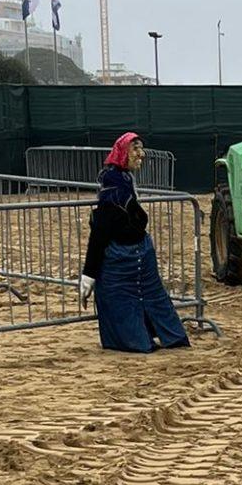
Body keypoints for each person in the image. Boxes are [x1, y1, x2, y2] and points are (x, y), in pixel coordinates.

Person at [79, 133, 190, 353]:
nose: (141, 154)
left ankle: (153, 334)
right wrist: (89, 274)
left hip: (138, 254)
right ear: (123, 153)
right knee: (128, 305)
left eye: (141, 148)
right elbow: (102, 230)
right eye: (135, 149)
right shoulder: (113, 186)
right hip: (121, 256)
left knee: (152, 298)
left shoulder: (124, 180)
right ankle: (140, 337)